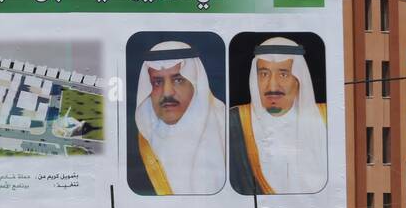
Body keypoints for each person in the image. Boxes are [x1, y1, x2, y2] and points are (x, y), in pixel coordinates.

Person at [229, 37, 328, 194]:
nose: (272, 86)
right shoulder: (233, 122)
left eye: (283, 75)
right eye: (264, 74)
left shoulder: (326, 119)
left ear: (299, 79)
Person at [132, 40, 227, 195]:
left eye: (178, 80)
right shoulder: (136, 145)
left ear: (196, 84)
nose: (167, 92)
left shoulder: (230, 126)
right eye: (157, 82)